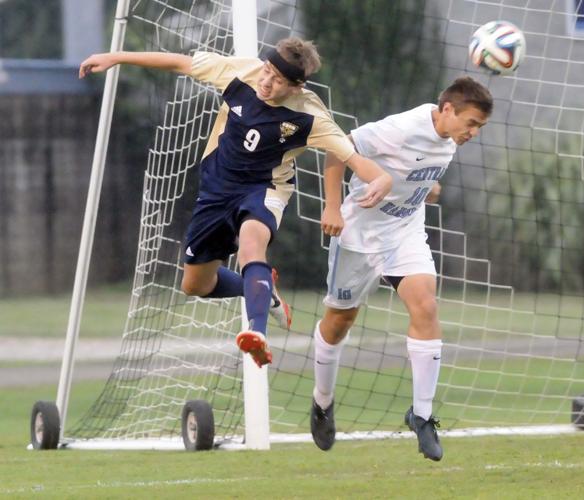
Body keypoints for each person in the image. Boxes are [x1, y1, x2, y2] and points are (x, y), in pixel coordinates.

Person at [79, 38, 393, 368]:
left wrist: (380, 179)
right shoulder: (241, 73)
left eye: (278, 80)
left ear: (297, 86)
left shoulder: (310, 116)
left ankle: (256, 332)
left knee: (251, 247)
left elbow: (351, 157)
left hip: (264, 189)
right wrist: (115, 56)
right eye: (267, 71)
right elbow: (179, 63)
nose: (267, 82)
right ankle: (259, 288)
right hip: (216, 191)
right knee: (195, 285)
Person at [308, 76, 493, 461]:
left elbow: (414, 172)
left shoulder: (449, 140)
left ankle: (422, 415)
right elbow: (337, 148)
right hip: (360, 234)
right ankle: (322, 400)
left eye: (479, 127)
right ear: (447, 110)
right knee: (339, 321)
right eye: (471, 124)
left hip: (405, 234)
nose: (473, 133)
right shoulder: (400, 128)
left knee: (425, 305)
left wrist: (426, 189)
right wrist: (330, 206)